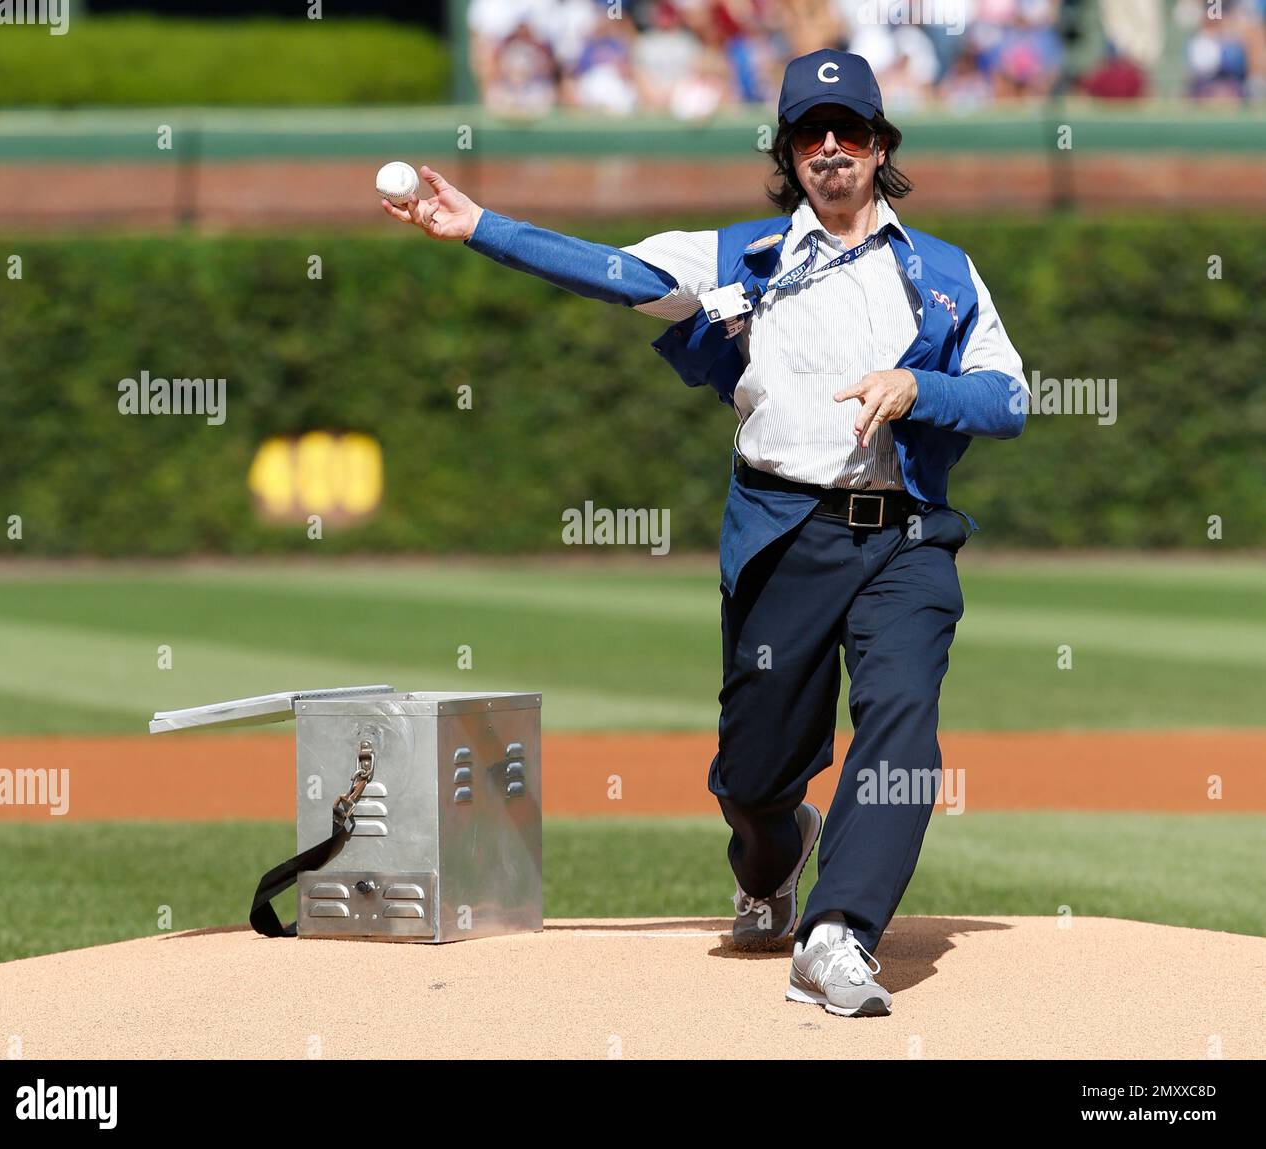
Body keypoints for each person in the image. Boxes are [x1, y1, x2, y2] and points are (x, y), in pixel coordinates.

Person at [381, 49, 1027, 1018]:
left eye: (850, 129)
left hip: (903, 538)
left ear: (881, 144)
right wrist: (479, 227)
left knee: (902, 719)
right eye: (811, 132)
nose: (832, 146)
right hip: (784, 536)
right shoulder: (739, 261)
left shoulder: (939, 272)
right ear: (788, 153)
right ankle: (774, 849)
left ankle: (837, 933)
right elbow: (609, 270)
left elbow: (1008, 397)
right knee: (754, 775)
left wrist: (917, 387)